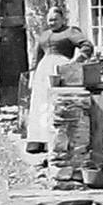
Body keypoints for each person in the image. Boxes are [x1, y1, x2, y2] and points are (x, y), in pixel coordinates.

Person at [26, 8, 88, 153]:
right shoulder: (44, 35)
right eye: (50, 20)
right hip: (43, 71)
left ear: (62, 19)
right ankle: (37, 140)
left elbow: (86, 46)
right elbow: (36, 56)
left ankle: (52, 140)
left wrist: (76, 61)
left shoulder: (70, 32)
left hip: (60, 68)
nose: (52, 22)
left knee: (54, 103)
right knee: (39, 103)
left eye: (55, 19)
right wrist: (32, 74)